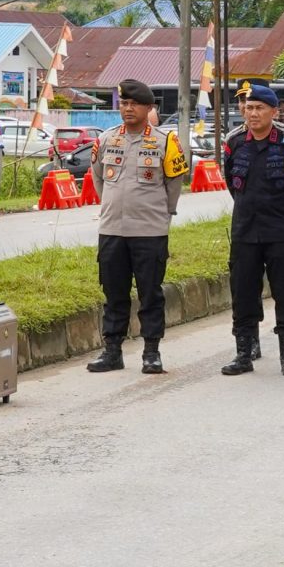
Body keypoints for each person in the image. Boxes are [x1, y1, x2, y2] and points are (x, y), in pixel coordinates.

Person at [86, 78, 188, 375]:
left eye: (135, 104)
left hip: (150, 232)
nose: (128, 109)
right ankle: (112, 351)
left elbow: (174, 184)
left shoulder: (164, 141)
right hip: (113, 230)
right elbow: (98, 178)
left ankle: (151, 352)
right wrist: (112, 207)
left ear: (148, 107)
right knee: (113, 293)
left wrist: (161, 216)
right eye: (124, 104)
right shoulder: (106, 139)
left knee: (150, 293)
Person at [219, 84, 284, 377]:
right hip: (245, 231)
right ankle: (243, 354)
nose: (253, 113)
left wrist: (282, 216)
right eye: (249, 107)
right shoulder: (234, 142)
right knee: (243, 293)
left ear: (274, 111)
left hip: (280, 231)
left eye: (260, 108)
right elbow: (232, 182)